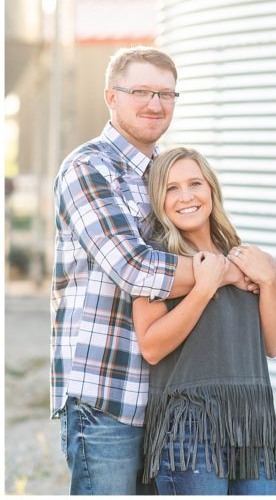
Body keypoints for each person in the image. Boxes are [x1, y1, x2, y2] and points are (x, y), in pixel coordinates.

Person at [52, 49, 254, 495]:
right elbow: (133, 267)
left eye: (165, 93)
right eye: (140, 91)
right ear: (111, 97)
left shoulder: (166, 174)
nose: (154, 104)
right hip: (109, 395)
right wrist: (227, 272)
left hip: (173, 400)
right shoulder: (88, 168)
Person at [135, 148, 276, 494]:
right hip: (190, 429)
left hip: (250, 421)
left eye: (194, 183)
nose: (185, 197)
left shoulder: (242, 255)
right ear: (158, 199)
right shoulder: (156, 260)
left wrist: (269, 282)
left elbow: (273, 344)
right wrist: (204, 288)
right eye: (171, 188)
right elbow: (152, 347)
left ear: (211, 190)